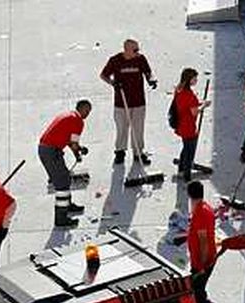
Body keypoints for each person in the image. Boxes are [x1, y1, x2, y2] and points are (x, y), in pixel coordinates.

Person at [100, 38, 157, 166]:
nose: (138, 52)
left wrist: (151, 80)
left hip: (138, 102)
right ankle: (120, 152)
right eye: (135, 50)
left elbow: (148, 72)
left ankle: (138, 153)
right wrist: (113, 83)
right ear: (126, 50)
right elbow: (103, 75)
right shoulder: (115, 60)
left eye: (138, 49)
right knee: (122, 128)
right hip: (121, 102)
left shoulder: (140, 59)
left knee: (138, 129)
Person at [187, 181, 231, 303]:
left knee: (197, 295)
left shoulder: (200, 214)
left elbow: (204, 242)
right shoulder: (205, 208)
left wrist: (202, 268)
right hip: (204, 260)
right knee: (199, 293)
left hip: (202, 263)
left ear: (190, 195)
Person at [38, 100, 91, 227]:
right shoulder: (78, 121)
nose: (88, 114)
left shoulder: (68, 116)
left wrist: (77, 153)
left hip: (46, 149)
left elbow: (69, 141)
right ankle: (61, 219)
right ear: (82, 109)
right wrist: (78, 152)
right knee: (62, 184)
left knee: (65, 178)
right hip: (51, 152)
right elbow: (74, 143)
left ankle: (67, 206)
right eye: (87, 110)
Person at [172, 68, 211, 182]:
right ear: (189, 79)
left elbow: (189, 105)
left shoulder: (179, 90)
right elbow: (194, 111)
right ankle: (187, 176)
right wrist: (204, 106)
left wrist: (200, 102)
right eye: (195, 78)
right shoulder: (189, 94)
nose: (196, 80)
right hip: (189, 125)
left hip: (181, 124)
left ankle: (181, 170)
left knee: (185, 148)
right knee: (190, 151)